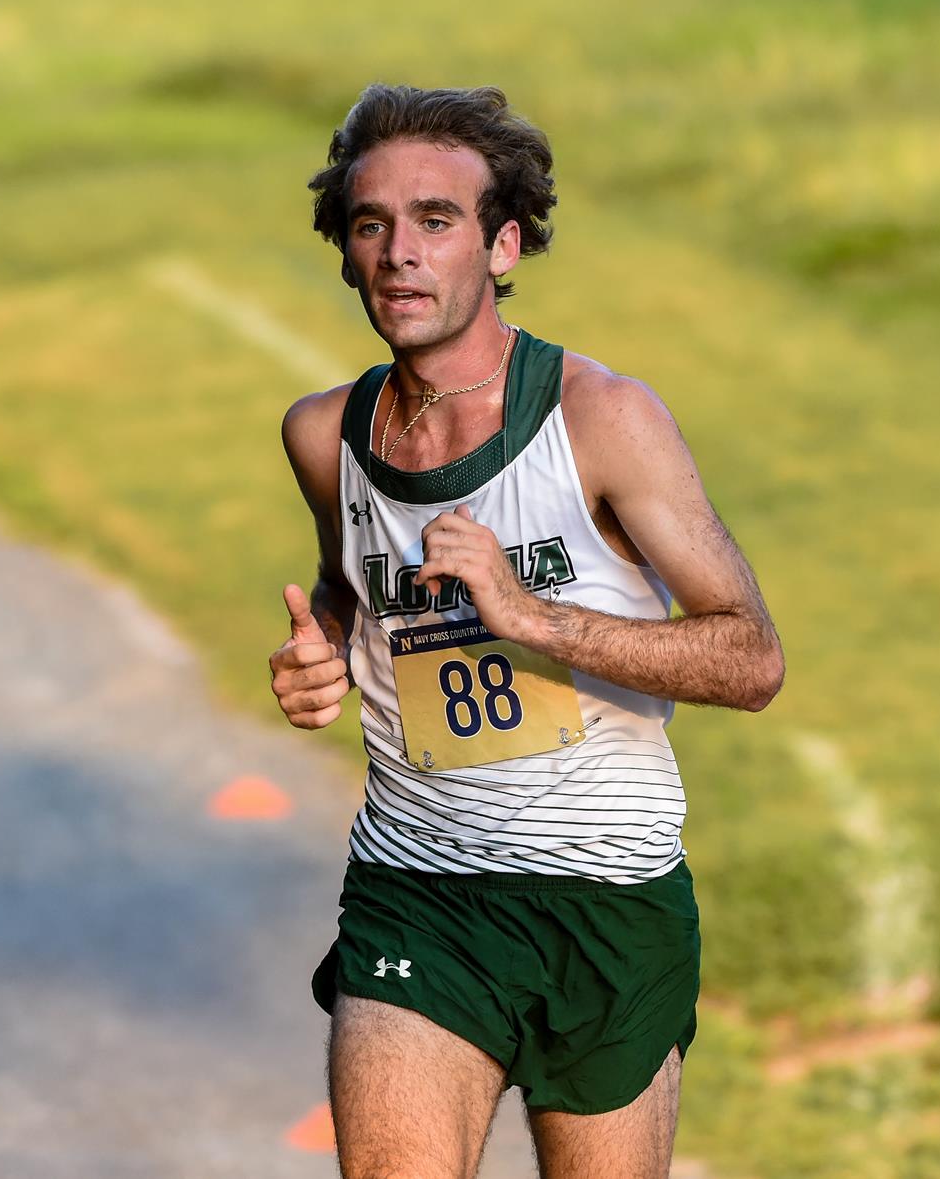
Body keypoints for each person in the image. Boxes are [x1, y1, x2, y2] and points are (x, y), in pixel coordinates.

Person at [270, 84, 785, 1179]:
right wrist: (319, 647)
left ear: (503, 245)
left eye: (435, 221)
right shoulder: (327, 435)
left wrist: (525, 615)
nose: (399, 253)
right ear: (348, 252)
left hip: (605, 902)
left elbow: (748, 655)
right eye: (372, 225)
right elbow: (348, 589)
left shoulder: (600, 419)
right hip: (418, 891)